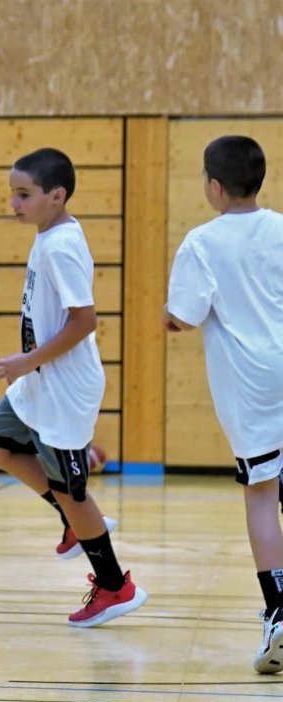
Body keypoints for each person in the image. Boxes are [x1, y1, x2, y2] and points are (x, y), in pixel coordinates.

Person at [0, 148, 145, 627]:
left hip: (63, 387)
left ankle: (115, 586)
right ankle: (73, 523)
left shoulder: (61, 246)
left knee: (75, 494)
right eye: (13, 192)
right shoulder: (47, 233)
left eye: (24, 194)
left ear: (57, 195)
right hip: (39, 380)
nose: (14, 202)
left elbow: (85, 321)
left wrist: (26, 360)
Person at [164, 135, 283, 672]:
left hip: (251, 386)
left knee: (261, 494)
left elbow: (185, 315)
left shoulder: (201, 242)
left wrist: (171, 317)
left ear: (214, 185)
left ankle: (279, 611)